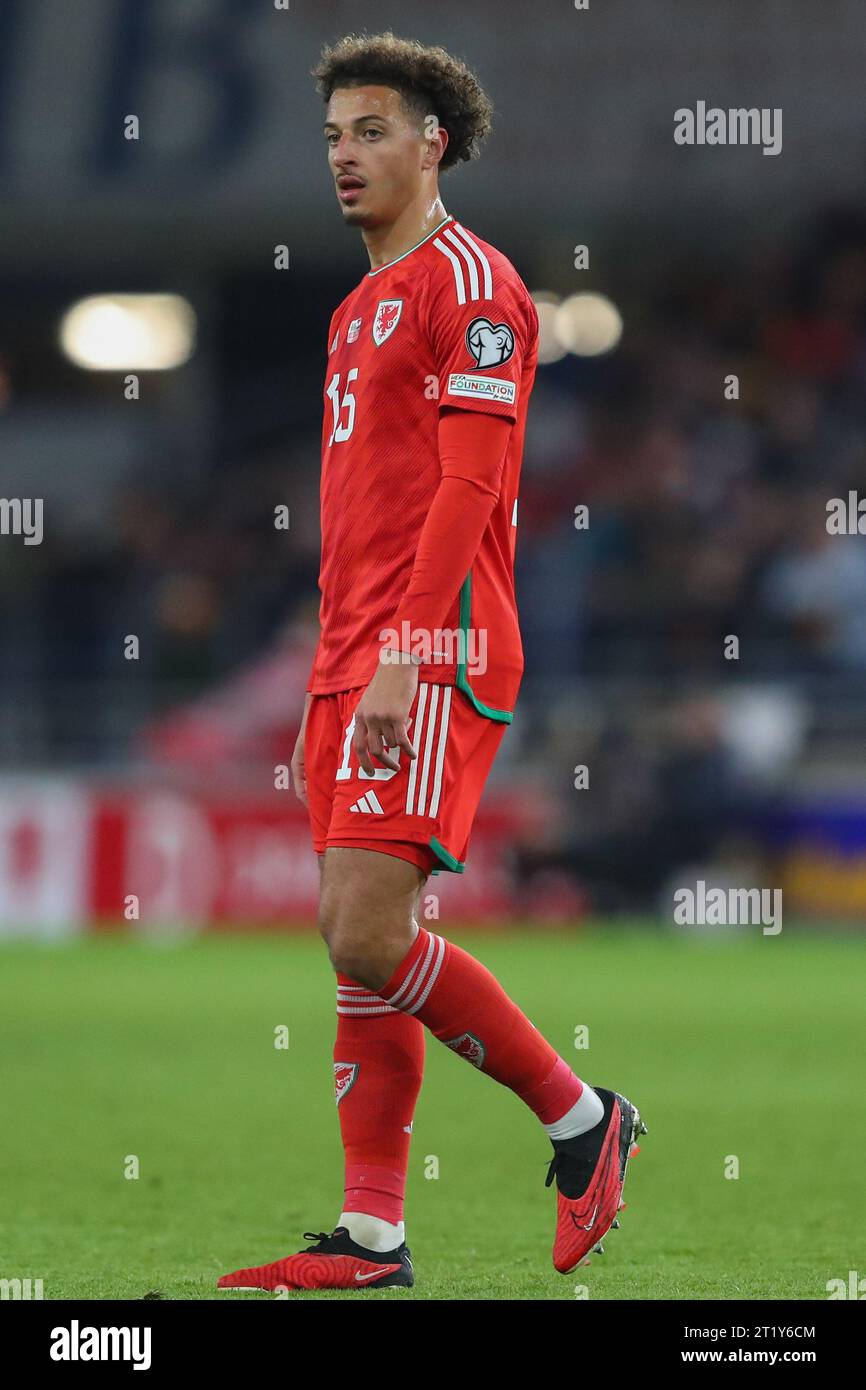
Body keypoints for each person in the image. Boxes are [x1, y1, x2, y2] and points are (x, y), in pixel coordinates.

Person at [218, 30, 644, 1295]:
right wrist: (326, 677)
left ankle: (582, 1120)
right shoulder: (355, 311)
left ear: (431, 142)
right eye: (334, 136)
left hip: (438, 644)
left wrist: (407, 653)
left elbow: (468, 486)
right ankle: (370, 1238)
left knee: (361, 933)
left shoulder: (474, 281)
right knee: (360, 934)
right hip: (358, 655)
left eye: (371, 132)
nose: (345, 157)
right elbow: (361, 508)